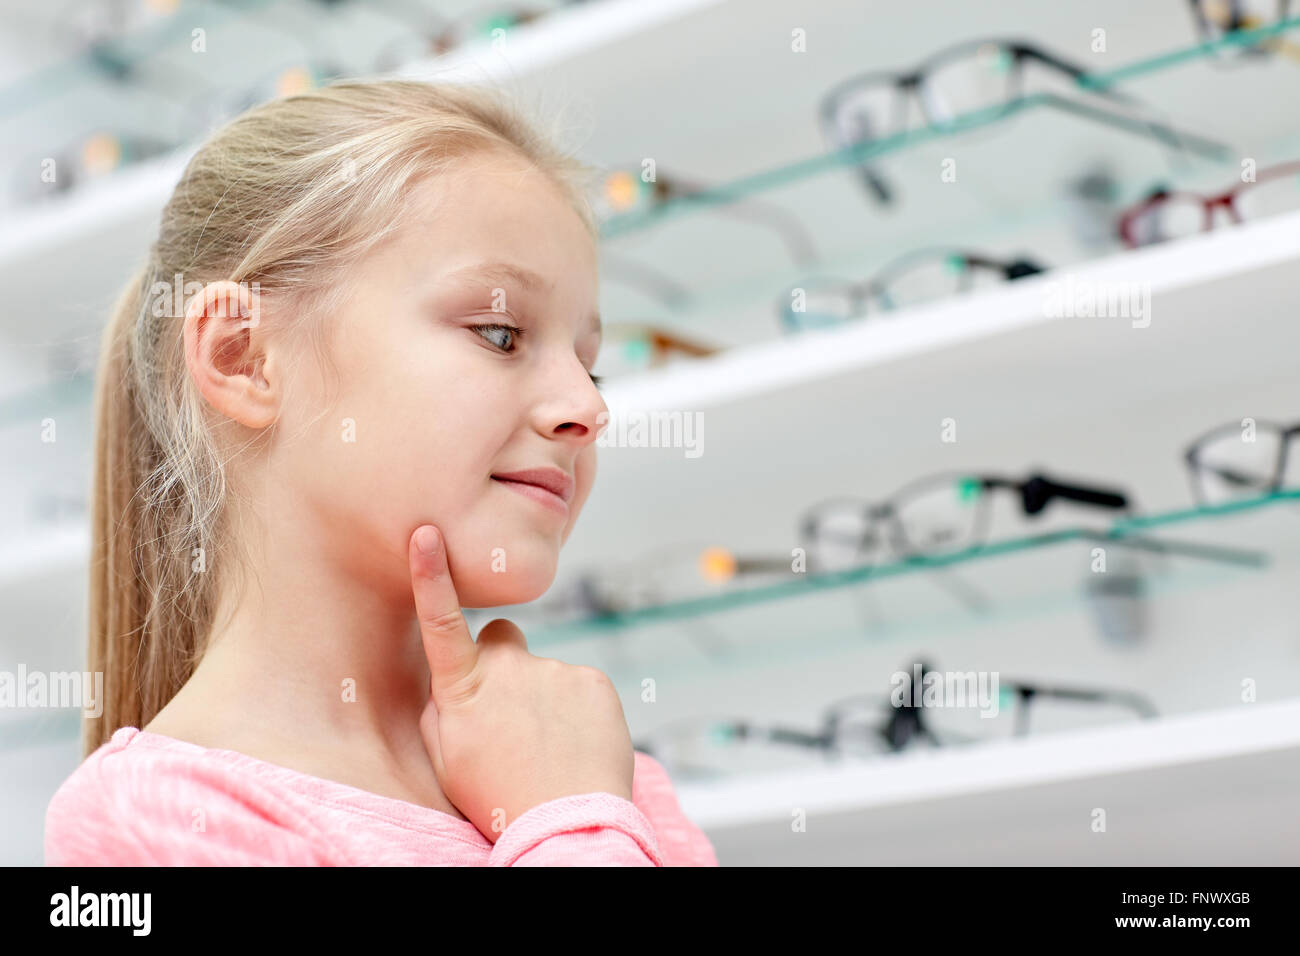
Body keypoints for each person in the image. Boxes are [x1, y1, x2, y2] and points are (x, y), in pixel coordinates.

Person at [43, 78, 718, 866]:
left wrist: (581, 810)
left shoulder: (614, 788)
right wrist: (568, 830)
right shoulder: (150, 820)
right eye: (500, 334)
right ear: (244, 358)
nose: (586, 408)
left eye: (591, 367)